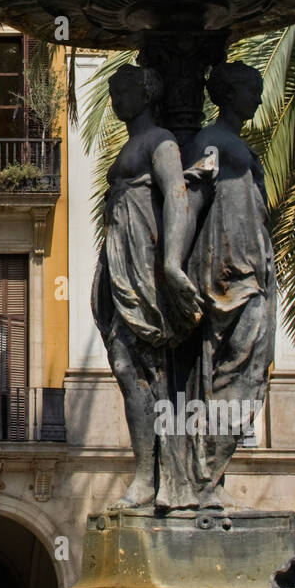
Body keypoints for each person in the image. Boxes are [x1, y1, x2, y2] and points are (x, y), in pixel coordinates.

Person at [92, 64, 205, 511]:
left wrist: (174, 264)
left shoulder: (160, 142)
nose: (115, 99)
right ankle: (150, 473)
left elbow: (178, 195)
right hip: (121, 263)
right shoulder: (134, 143)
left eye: (121, 90)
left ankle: (152, 476)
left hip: (145, 269)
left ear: (145, 92)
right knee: (126, 366)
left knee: (144, 368)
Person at [182, 61, 276, 492]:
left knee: (250, 361)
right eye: (251, 88)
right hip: (227, 273)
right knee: (232, 363)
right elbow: (194, 202)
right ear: (229, 93)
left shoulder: (231, 141)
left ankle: (207, 467)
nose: (258, 96)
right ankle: (202, 466)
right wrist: (172, 264)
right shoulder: (211, 140)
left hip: (251, 269)